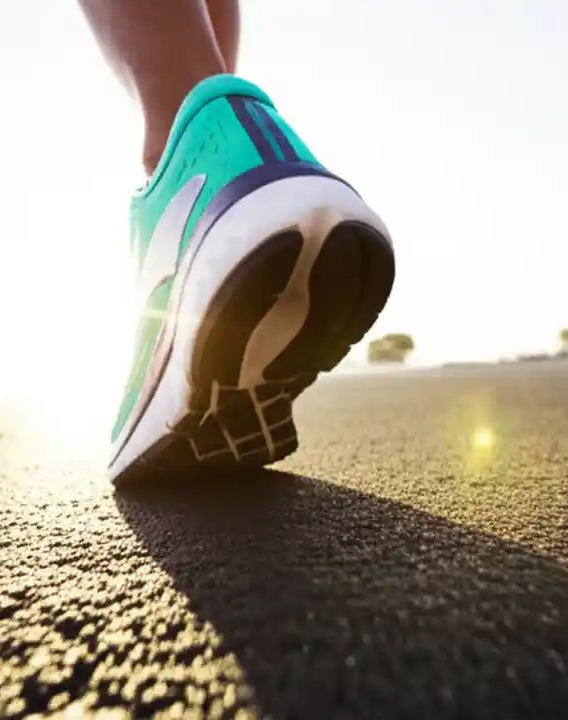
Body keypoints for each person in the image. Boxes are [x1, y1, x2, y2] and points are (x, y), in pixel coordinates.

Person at [80, 0, 395, 485]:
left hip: (211, 184)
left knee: (173, 128)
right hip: (257, 169)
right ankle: (232, 151)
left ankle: (189, 167)